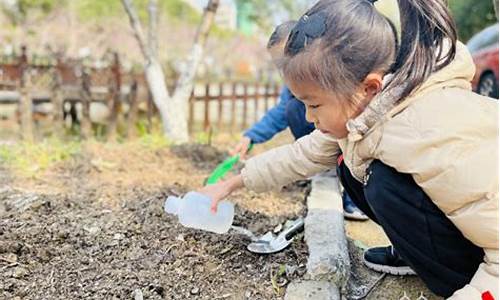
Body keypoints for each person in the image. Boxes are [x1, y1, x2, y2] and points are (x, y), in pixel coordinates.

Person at [200, 0, 499, 298]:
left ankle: (454, 279)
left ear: (368, 88)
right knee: (351, 167)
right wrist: (231, 184)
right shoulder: (371, 113)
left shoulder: (428, 132)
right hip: (475, 234)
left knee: (381, 182)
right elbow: (300, 155)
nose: (306, 116)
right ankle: (418, 257)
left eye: (314, 104)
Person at [232, 21, 368, 220]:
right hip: (325, 140)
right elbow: (280, 113)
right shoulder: (294, 85)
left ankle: (354, 196)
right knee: (293, 109)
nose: (287, 69)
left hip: (352, 133)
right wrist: (251, 136)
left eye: (289, 59)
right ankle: (322, 164)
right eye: (281, 65)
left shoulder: (336, 70)